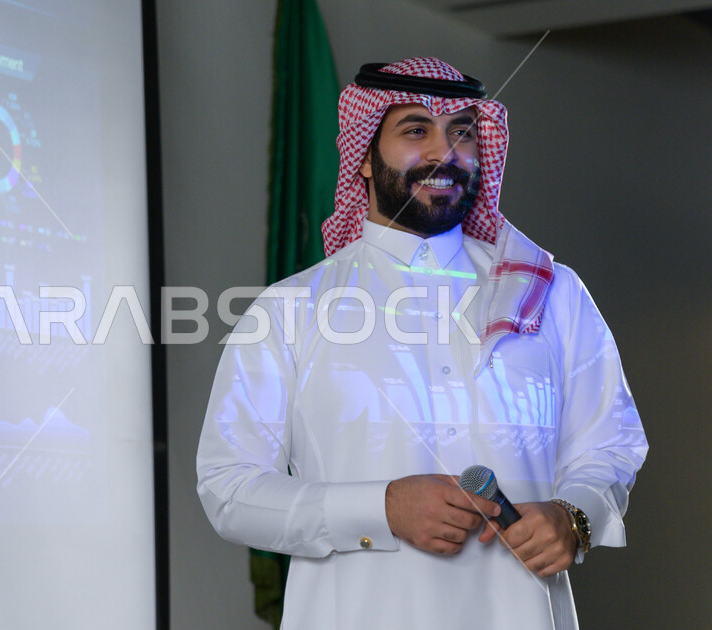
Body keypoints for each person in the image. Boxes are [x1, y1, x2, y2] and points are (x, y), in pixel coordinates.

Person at [196, 57, 648, 629]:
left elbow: (610, 442)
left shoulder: (550, 292)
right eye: (416, 130)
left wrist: (574, 516)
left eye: (462, 132)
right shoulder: (289, 309)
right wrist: (381, 508)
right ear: (362, 157)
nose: (445, 152)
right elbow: (228, 489)